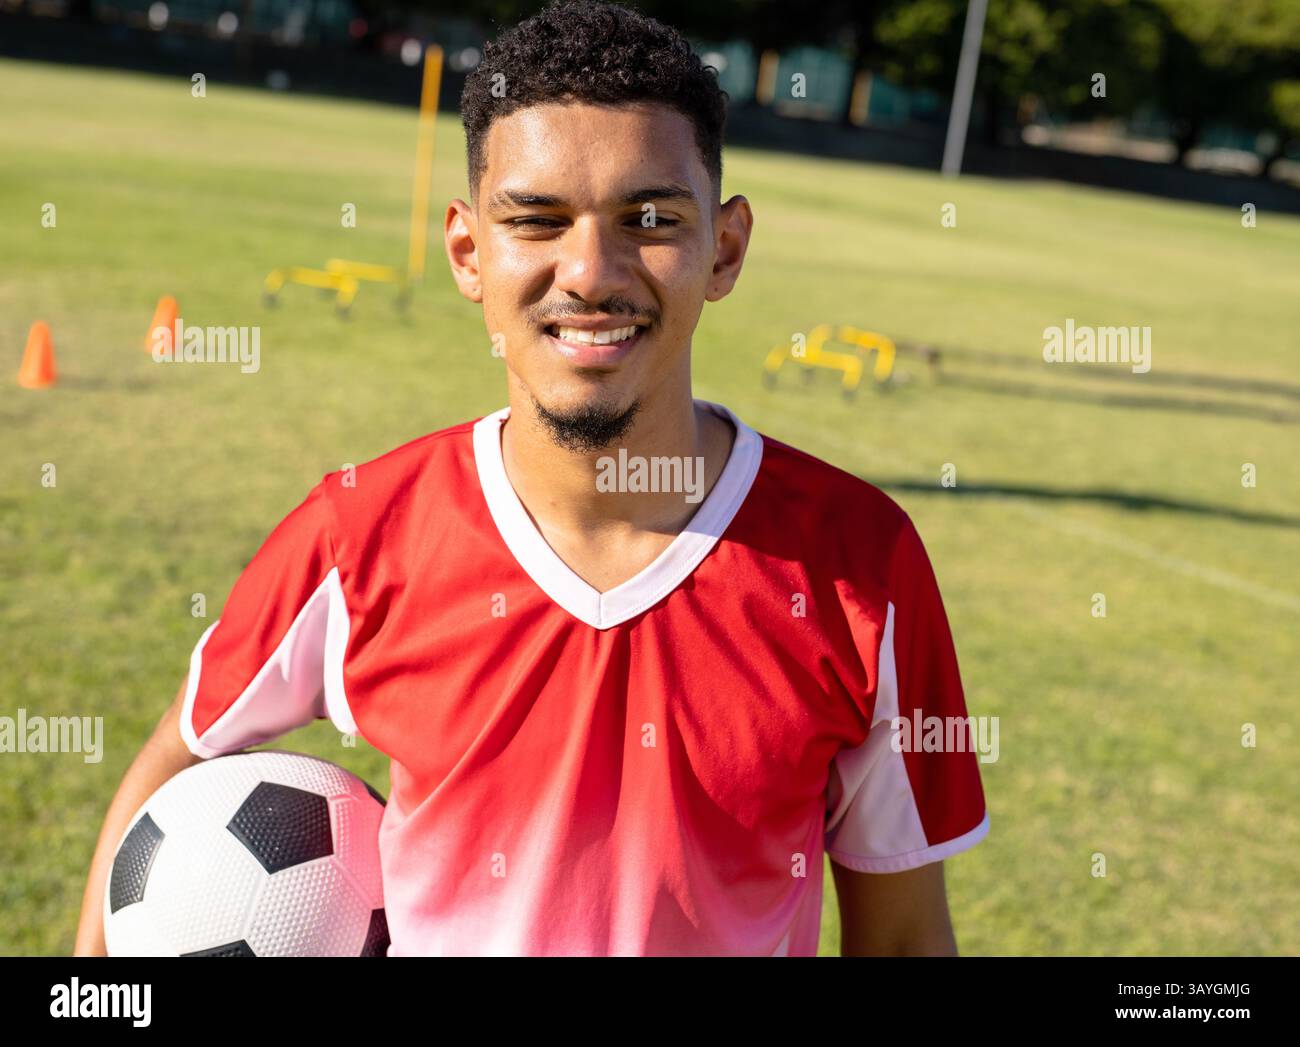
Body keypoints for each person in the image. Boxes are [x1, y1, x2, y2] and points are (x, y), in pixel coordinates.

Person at [76, 0, 988, 957]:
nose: (590, 271)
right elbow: (179, 758)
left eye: (649, 217)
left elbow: (900, 939)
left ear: (724, 248)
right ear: (470, 251)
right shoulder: (358, 536)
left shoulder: (860, 563)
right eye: (537, 219)